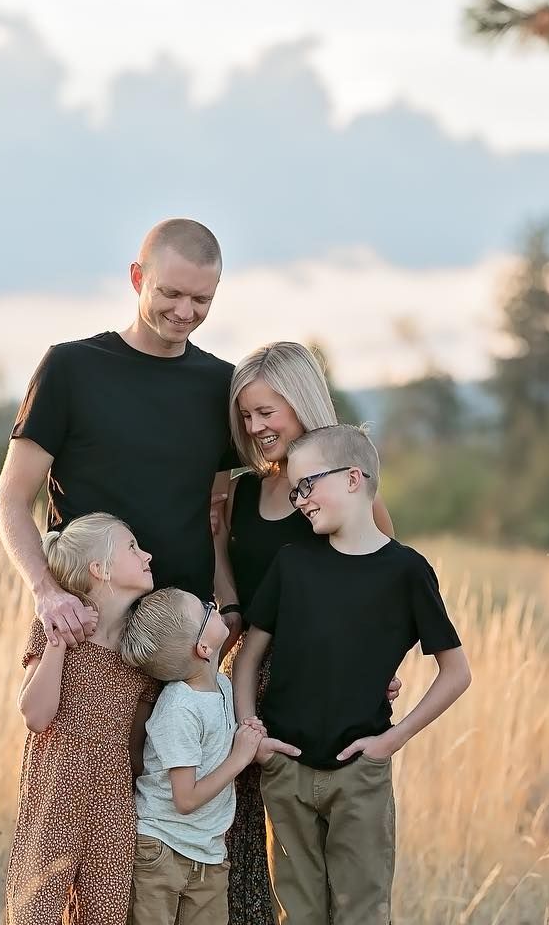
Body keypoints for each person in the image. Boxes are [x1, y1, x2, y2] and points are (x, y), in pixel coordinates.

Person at [232, 425, 472, 925]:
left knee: (361, 912)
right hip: (286, 769)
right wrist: (252, 734)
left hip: (360, 773)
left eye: (307, 485)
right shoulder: (292, 563)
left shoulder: (406, 571)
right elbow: (250, 657)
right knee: (297, 913)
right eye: (294, 489)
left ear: (353, 478)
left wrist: (393, 739)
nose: (299, 500)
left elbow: (456, 672)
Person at [213, 341, 397, 924]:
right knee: (251, 848)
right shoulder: (240, 490)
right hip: (246, 683)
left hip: (318, 686)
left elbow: (385, 580)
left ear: (301, 402)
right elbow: (227, 580)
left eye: (268, 412)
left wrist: (377, 664)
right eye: (246, 416)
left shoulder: (337, 491)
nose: (256, 427)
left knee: (335, 866)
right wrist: (222, 561)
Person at [0, 219, 240, 651]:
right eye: (171, 293)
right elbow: (10, 501)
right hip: (84, 626)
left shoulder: (222, 385)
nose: (186, 312)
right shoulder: (70, 368)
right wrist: (46, 592)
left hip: (183, 639)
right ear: (137, 277)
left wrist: (231, 606)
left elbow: (214, 517)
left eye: (202, 299)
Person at [5, 513, 162, 925]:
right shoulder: (54, 626)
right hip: (56, 789)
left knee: (105, 914)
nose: (146, 555)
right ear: (100, 568)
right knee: (34, 910)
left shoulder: (140, 650)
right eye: (132, 548)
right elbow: (36, 716)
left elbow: (137, 744)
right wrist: (59, 641)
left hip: (112, 801)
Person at [119, 587, 299, 925]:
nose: (213, 604)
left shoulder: (223, 687)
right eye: (205, 609)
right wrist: (240, 757)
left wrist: (251, 740)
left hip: (208, 853)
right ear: (203, 648)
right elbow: (185, 798)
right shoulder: (180, 709)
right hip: (161, 850)